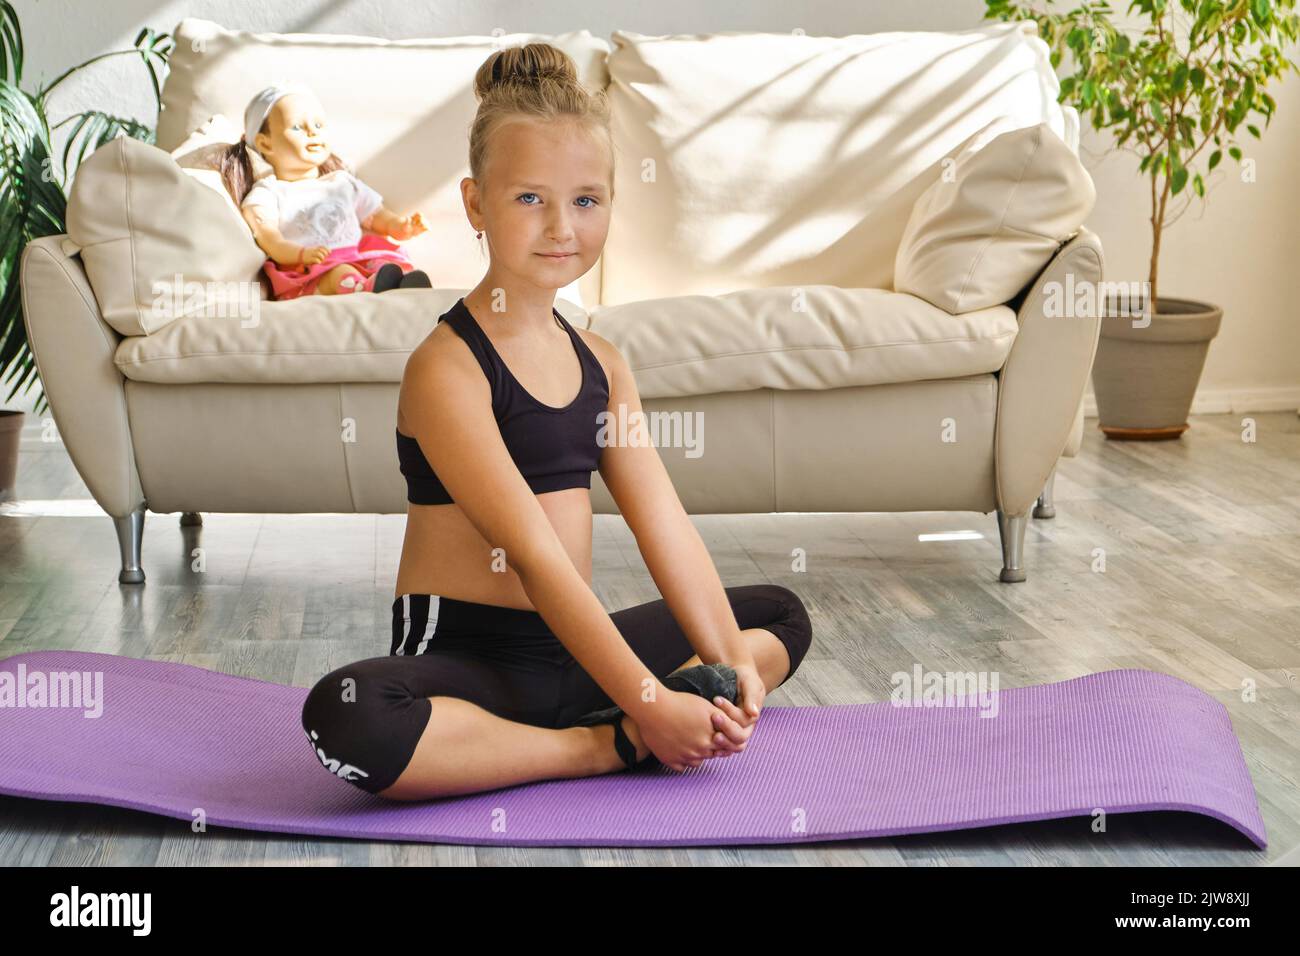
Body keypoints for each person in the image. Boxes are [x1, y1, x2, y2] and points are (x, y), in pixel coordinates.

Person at [301, 42, 813, 801]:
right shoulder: (447, 367)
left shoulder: (603, 364)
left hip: (576, 650)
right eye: (529, 199)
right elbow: (537, 559)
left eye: (585, 200)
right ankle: (601, 746)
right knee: (350, 718)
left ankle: (628, 714)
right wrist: (646, 702)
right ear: (476, 205)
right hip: (468, 664)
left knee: (778, 616)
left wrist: (731, 667)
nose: (561, 227)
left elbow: (663, 524)